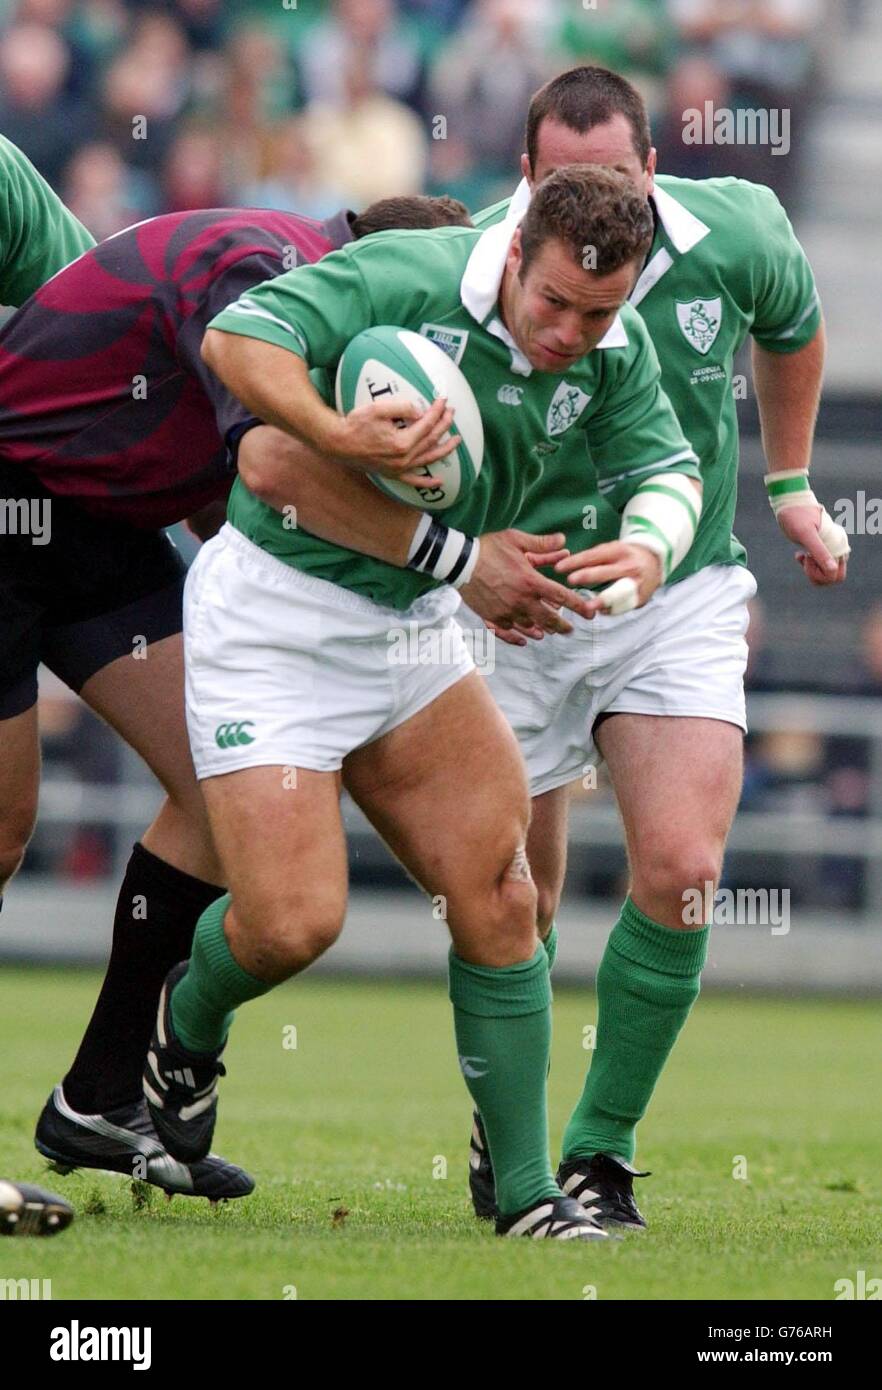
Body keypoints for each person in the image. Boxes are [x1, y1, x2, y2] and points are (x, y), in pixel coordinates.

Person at [241, 65, 847, 1231]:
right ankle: (506, 1141)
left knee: (681, 871)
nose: (593, 210)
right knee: (521, 893)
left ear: (652, 172)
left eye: (616, 180)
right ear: (522, 191)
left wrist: (789, 484)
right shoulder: (468, 267)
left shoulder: (743, 230)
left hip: (673, 586)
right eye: (565, 186)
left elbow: (796, 329)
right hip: (511, 595)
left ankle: (599, 1157)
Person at [143, 165, 703, 1239]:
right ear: (513, 254)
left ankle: (528, 1193)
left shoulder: (611, 347)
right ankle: (187, 1018)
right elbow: (245, 381)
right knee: (293, 920)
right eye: (554, 303)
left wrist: (648, 550)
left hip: (410, 632)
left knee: (501, 890)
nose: (572, 332)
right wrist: (343, 434)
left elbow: (669, 465)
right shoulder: (409, 272)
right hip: (275, 623)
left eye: (600, 311)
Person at [0, 194, 471, 1202]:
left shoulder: (299, 291)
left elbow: (236, 506)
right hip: (7, 503)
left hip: (98, 534)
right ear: (380, 268)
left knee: (226, 780)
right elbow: (262, 453)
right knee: (2, 832)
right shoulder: (260, 264)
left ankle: (98, 1098)